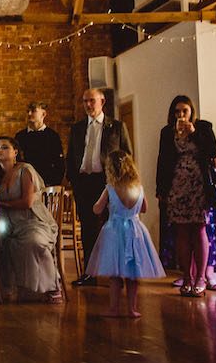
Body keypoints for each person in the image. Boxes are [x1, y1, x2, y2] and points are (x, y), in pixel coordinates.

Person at [155, 95, 216, 297]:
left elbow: (212, 151)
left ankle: (201, 277)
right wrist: (160, 189)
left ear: (191, 112)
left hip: (198, 186)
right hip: (177, 185)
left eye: (184, 111)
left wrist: (194, 133)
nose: (180, 115)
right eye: (177, 111)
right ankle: (186, 276)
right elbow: (162, 161)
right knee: (181, 232)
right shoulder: (167, 132)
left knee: (199, 229)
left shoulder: (203, 127)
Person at [87, 150, 165, 318]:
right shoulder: (139, 188)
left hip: (115, 232)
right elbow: (144, 208)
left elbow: (97, 209)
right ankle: (132, 309)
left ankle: (114, 308)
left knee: (115, 275)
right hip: (135, 231)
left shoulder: (110, 188)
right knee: (132, 274)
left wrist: (104, 206)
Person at [66, 88, 132, 287]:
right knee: (87, 229)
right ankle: (90, 273)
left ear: (102, 102)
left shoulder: (117, 127)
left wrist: (121, 183)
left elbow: (126, 156)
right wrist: (73, 181)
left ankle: (116, 272)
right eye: (85, 101)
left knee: (112, 227)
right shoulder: (77, 128)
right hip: (84, 183)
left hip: (107, 183)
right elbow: (71, 156)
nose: (88, 105)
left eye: (92, 101)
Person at [0, 136, 61, 302]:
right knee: (2, 241)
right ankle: (8, 287)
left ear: (15, 152)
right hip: (12, 225)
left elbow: (27, 202)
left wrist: (3, 204)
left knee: (34, 241)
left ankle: (53, 286)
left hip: (33, 221)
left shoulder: (25, 169)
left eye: (4, 147)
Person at [15, 102, 65, 187]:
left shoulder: (52, 136)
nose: (29, 114)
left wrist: (54, 182)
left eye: (33, 111)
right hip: (25, 183)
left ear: (43, 114)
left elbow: (59, 163)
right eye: (28, 111)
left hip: (48, 182)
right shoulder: (20, 136)